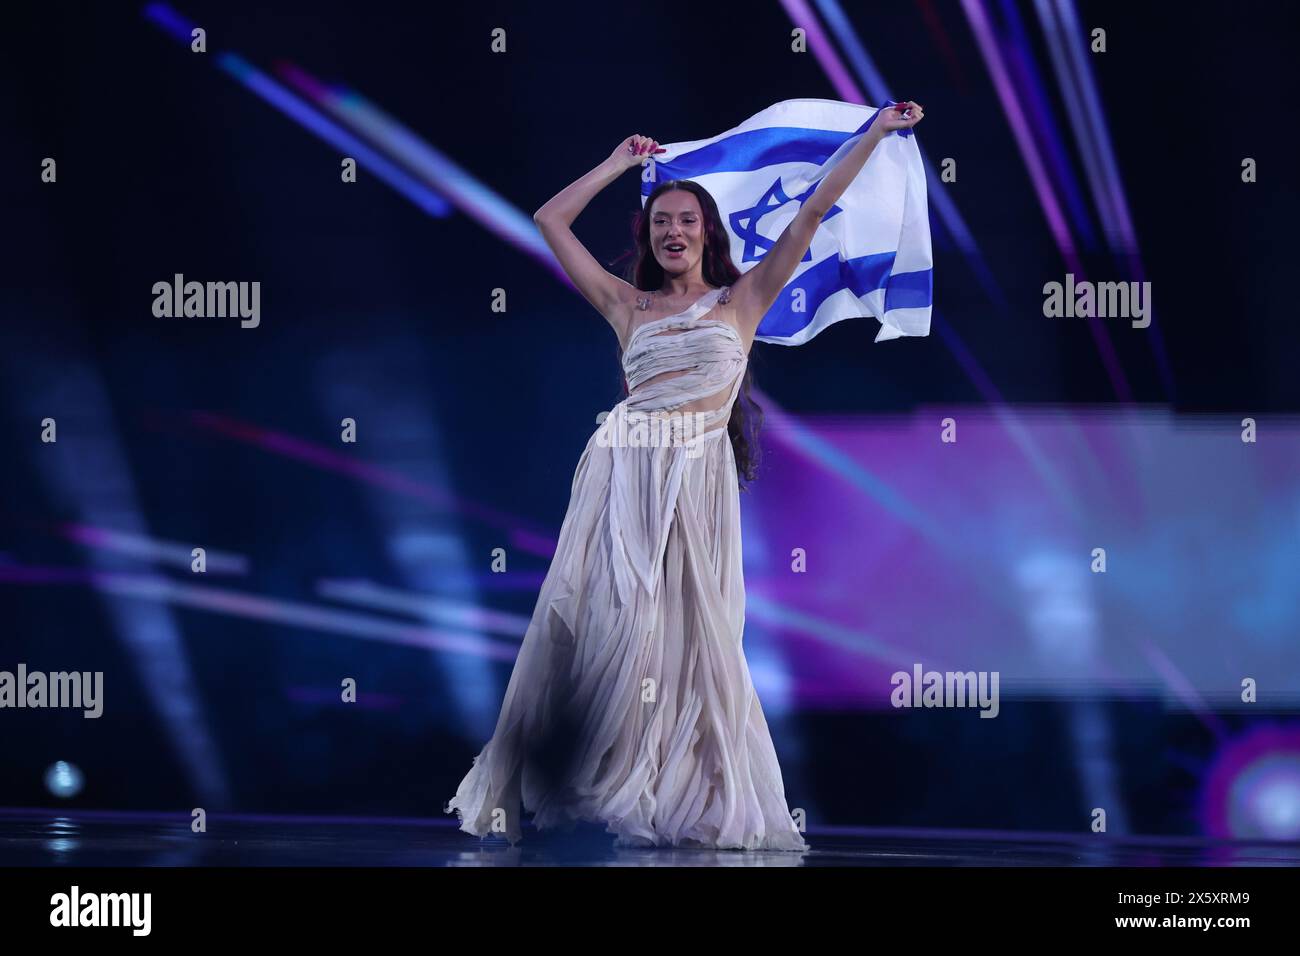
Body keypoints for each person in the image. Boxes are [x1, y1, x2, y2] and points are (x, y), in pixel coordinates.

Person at [445, 102, 926, 850]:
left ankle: (680, 791)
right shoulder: (625, 304)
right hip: (622, 475)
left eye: (687, 222)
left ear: (709, 234)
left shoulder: (743, 300)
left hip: (695, 481)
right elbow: (548, 220)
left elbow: (813, 211)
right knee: (614, 630)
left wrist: (873, 135)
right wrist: (616, 165)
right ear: (650, 235)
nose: (674, 232)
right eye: (662, 221)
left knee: (694, 640)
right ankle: (591, 775)